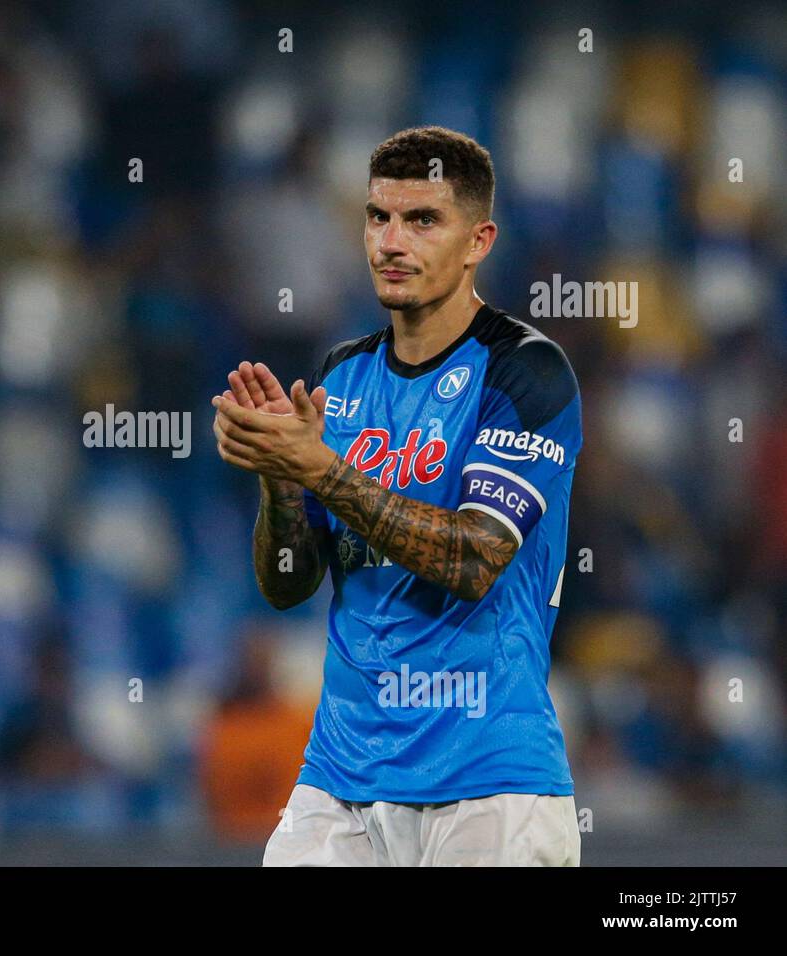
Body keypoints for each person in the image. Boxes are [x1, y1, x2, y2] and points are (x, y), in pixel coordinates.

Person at [212, 126, 582, 866]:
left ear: (478, 240)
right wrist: (281, 479)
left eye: (422, 221)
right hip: (340, 782)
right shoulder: (340, 375)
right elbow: (288, 585)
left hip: (489, 783)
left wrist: (319, 470)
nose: (391, 241)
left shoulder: (526, 372)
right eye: (378, 217)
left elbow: (475, 558)